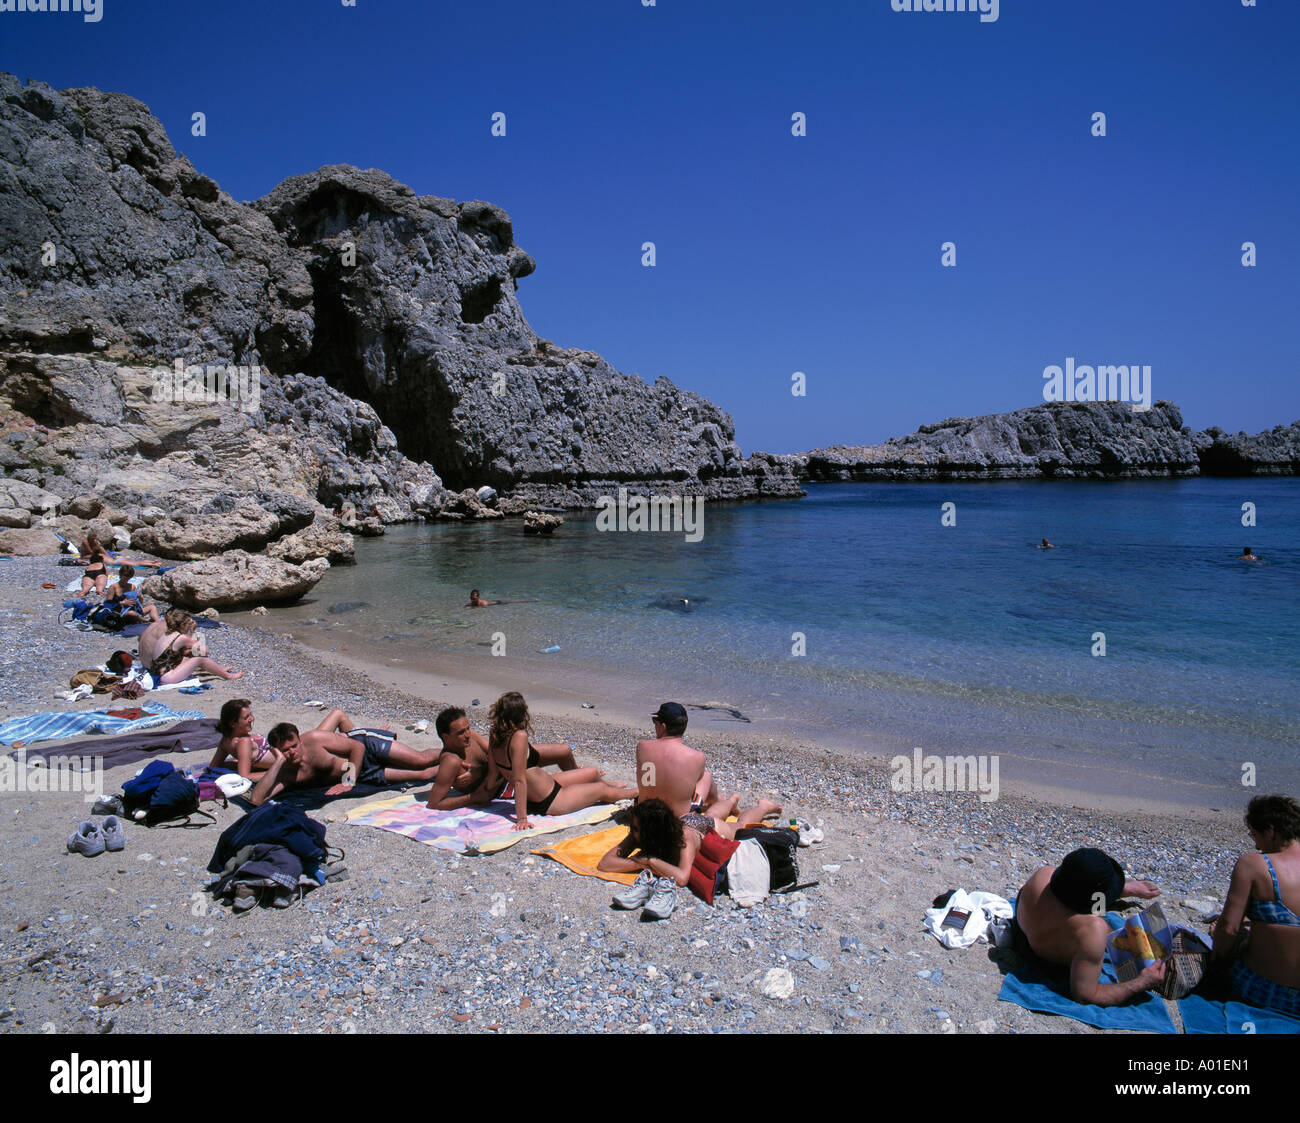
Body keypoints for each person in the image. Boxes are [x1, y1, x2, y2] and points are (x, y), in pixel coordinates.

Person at [1013, 848, 1164, 1005]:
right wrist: (1142, 982)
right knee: (1102, 925)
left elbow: (1075, 890)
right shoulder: (1092, 931)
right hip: (1046, 959)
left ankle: (1119, 890)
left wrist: (1121, 890)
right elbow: (1086, 995)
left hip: (1025, 926)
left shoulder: (1044, 874)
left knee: (1094, 910)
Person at [486, 692, 631, 831]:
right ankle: (638, 792)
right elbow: (519, 781)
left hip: (547, 785)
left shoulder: (495, 734)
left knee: (592, 773)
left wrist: (485, 796)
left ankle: (612, 786)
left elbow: (493, 774)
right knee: (601, 791)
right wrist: (522, 818)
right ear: (521, 714)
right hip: (551, 800)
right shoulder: (519, 736)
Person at [1210, 795, 1300, 1015]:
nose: (1255, 844)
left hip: (1267, 991)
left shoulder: (1254, 864)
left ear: (1270, 831)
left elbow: (1228, 929)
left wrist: (1216, 959)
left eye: (1255, 834)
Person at [250, 709, 442, 805]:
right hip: (366, 774)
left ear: (299, 740)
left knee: (421, 760)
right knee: (423, 775)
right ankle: (459, 764)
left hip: (367, 747)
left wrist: (348, 782)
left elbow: (357, 747)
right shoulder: (287, 774)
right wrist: (279, 763)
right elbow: (257, 800)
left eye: (293, 746)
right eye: (285, 751)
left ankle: (457, 751)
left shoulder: (315, 739)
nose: (292, 753)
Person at [598, 798, 699, 920]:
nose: (632, 832)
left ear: (650, 831)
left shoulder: (684, 838)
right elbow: (604, 864)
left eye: (635, 828)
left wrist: (651, 860)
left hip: (700, 826)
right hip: (685, 820)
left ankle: (729, 800)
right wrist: (640, 864)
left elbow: (682, 878)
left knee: (716, 815)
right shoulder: (640, 834)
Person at [636, 703, 726, 822]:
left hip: (643, 816)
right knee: (706, 776)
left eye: (655, 722)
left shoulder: (642, 747)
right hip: (678, 820)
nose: (654, 726)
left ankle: (717, 801)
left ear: (663, 727)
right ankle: (718, 801)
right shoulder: (697, 757)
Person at [149, 609, 245, 685]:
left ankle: (218, 669)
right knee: (200, 658)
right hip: (166, 678)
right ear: (182, 625)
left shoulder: (167, 633)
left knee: (189, 655)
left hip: (156, 673)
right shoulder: (181, 638)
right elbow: (204, 652)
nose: (190, 625)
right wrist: (194, 631)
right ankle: (228, 676)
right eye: (189, 624)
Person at [208, 699, 279, 778]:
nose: (251, 719)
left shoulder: (226, 740)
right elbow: (245, 776)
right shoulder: (244, 742)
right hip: (287, 762)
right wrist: (276, 773)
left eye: (250, 714)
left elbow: (213, 766)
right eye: (246, 717)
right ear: (232, 723)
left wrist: (238, 763)